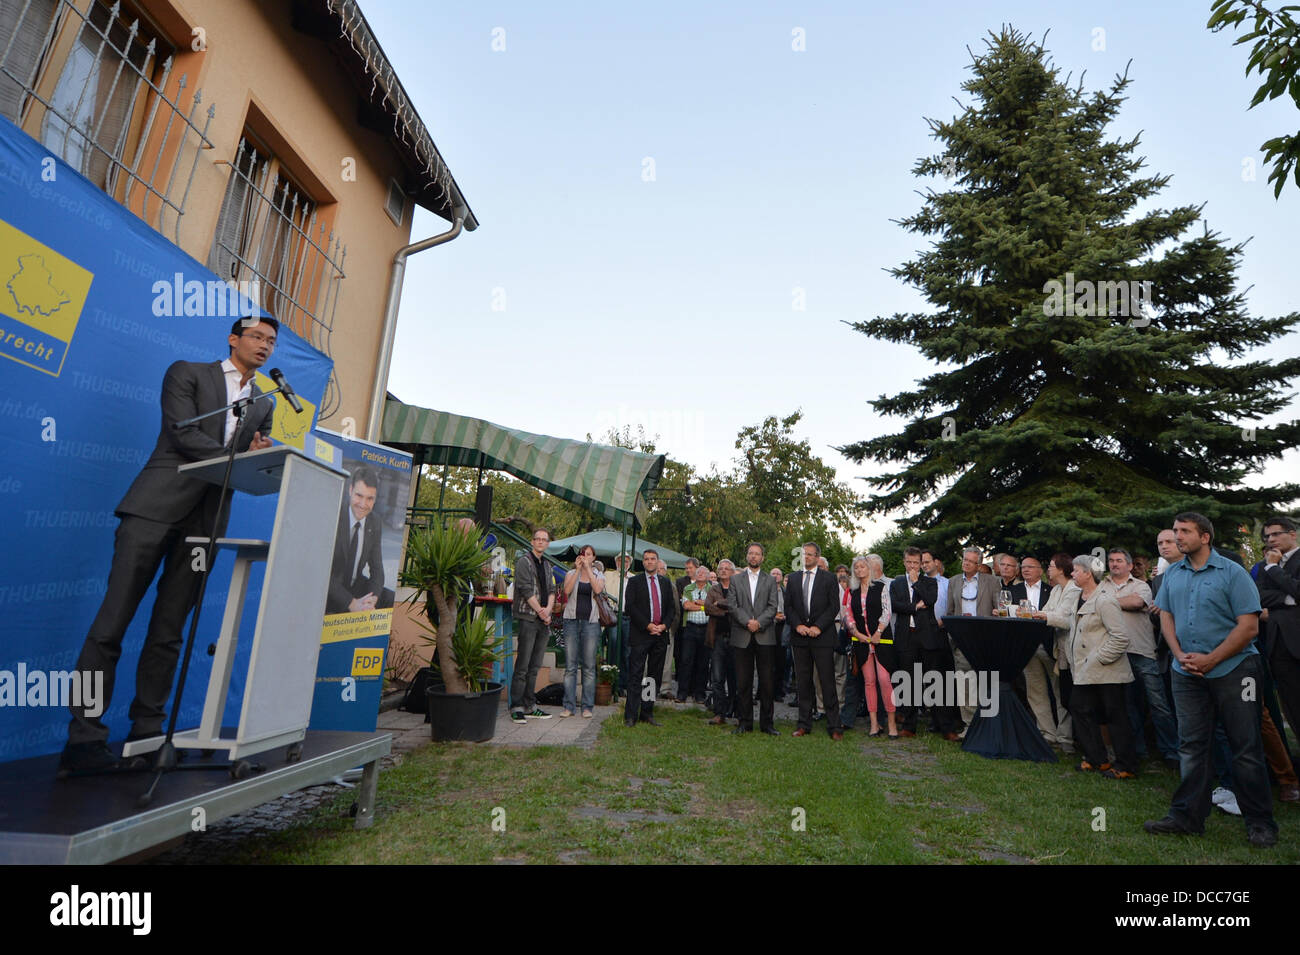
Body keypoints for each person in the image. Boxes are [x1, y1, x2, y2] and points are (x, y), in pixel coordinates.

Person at [63, 317, 278, 770]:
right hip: (153, 509)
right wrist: (234, 455)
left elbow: (246, 454)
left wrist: (259, 454)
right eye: (257, 336)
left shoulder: (263, 401)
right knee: (110, 626)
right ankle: (83, 741)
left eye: (271, 341)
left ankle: (147, 734)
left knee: (169, 633)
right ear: (233, 339)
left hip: (207, 519)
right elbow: (182, 432)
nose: (264, 346)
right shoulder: (188, 372)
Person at [1145, 513, 1276, 847]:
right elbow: (1167, 617)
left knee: (1245, 748)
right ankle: (1186, 817)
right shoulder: (1172, 573)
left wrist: (1211, 659)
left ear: (1205, 537)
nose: (1177, 537)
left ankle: (1260, 823)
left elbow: (1248, 627)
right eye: (1175, 531)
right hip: (1186, 673)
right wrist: (1177, 654)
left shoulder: (1232, 573)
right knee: (1191, 746)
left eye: (1184, 532)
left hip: (1236, 670)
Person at [1100, 547, 1177, 769]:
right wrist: (1116, 600)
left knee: (1158, 704)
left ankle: (1171, 751)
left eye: (1119, 561)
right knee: (1127, 706)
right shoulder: (1102, 585)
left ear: (1130, 565)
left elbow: (1136, 603)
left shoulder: (1142, 586)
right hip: (1116, 653)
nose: (1114, 564)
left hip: (1142, 651)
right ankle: (1138, 750)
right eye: (1111, 561)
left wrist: (1105, 602)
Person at [1066, 553, 1138, 778]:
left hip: (1108, 671)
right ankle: (1097, 758)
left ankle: (1126, 766)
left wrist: (1098, 658)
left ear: (1088, 573)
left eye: (1076, 570)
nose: (1072, 574)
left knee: (1115, 717)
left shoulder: (1105, 600)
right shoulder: (1079, 597)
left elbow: (1120, 637)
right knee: (1079, 708)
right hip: (1086, 670)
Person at [893, 546, 959, 739]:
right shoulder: (896, 583)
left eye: (916, 563)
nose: (913, 566)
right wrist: (915, 606)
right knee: (909, 682)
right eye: (909, 562)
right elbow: (895, 605)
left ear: (921, 564)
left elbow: (930, 600)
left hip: (928, 637)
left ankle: (946, 727)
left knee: (935, 681)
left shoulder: (929, 582)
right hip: (907, 637)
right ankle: (909, 725)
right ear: (904, 562)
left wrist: (915, 583)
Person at [786, 543, 843, 739]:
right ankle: (803, 724)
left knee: (827, 681)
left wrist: (818, 626)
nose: (807, 557)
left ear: (818, 558)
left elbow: (833, 606)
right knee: (803, 682)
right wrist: (797, 626)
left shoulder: (829, 578)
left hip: (823, 636)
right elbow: (789, 607)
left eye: (810, 555)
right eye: (804, 554)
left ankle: (835, 726)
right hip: (800, 637)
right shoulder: (792, 579)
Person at [727, 543, 780, 735]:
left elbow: (773, 606)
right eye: (751, 553)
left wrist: (759, 623)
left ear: (762, 558)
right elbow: (732, 606)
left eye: (757, 554)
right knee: (743, 682)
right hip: (742, 636)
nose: (754, 557)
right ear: (747, 556)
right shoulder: (736, 580)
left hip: (764, 636)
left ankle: (767, 724)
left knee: (766, 683)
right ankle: (744, 722)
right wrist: (748, 622)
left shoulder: (770, 580)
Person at [943, 547, 998, 729]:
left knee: (984, 682)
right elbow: (950, 612)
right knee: (964, 683)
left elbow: (999, 609)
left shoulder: (991, 582)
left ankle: (987, 725)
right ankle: (969, 725)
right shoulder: (954, 582)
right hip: (962, 639)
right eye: (964, 559)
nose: (966, 563)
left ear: (979, 564)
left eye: (970, 561)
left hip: (985, 638)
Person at [622, 548, 678, 727]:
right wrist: (647, 625)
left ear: (657, 561)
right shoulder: (634, 581)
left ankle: (647, 712)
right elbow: (630, 606)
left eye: (652, 559)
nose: (649, 562)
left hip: (660, 635)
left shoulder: (665, 582)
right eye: (646, 559)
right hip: (641, 634)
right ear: (643, 562)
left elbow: (671, 608)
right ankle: (631, 715)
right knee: (636, 674)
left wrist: (664, 625)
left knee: (653, 676)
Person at [845, 555, 898, 738]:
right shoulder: (853, 591)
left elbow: (887, 610)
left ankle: (891, 723)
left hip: (881, 640)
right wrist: (857, 633)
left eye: (862, 566)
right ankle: (874, 723)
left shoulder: (881, 588)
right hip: (861, 642)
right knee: (869, 681)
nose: (859, 570)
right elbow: (848, 615)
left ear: (869, 568)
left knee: (884, 680)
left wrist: (878, 633)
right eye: (856, 568)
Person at [1032, 553, 1079, 750]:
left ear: (1061, 569)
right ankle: (1061, 737)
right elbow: (1046, 609)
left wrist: (1041, 615)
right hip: (1058, 649)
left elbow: (1064, 619)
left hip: (1071, 650)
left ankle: (1068, 739)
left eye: (1051, 566)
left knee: (1069, 696)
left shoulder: (1073, 589)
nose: (1048, 569)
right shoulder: (1056, 589)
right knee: (1062, 692)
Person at [510, 529, 556, 724]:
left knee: (535, 666)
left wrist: (549, 611)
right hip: (528, 618)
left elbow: (553, 590)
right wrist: (541, 611)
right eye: (537, 539)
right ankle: (517, 706)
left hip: (543, 621)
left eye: (544, 540)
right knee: (523, 665)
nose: (540, 542)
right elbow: (526, 590)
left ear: (547, 544)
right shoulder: (523, 562)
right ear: (532, 542)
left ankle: (530, 705)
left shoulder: (547, 565)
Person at [326, 466, 386, 614]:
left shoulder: (375, 522)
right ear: (350, 490)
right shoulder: (333, 515)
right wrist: (351, 603)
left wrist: (372, 599)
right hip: (330, 591)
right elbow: (322, 571)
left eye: (370, 498)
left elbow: (377, 569)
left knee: (389, 598)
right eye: (359, 495)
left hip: (355, 586)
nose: (363, 504)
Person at [561, 544, 604, 718]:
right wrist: (578, 570)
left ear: (593, 558)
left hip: (591, 623)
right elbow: (567, 591)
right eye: (582, 554)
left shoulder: (599, 575)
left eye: (588, 555)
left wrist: (588, 570)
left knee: (588, 667)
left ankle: (587, 707)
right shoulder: (571, 573)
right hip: (571, 621)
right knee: (570, 666)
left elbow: (598, 589)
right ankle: (568, 706)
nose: (585, 557)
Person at [705, 559, 738, 725]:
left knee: (735, 677)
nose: (724, 571)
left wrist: (722, 604)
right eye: (721, 569)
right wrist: (726, 611)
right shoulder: (713, 588)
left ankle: (734, 709)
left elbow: (738, 607)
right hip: (717, 638)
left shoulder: (738, 589)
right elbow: (707, 607)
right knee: (717, 677)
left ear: (732, 572)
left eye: (727, 569)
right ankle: (719, 712)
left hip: (736, 638)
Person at [677, 563, 711, 704]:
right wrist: (704, 606)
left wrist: (701, 605)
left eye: (703, 573)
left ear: (708, 576)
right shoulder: (688, 588)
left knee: (703, 663)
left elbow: (713, 607)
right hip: (690, 628)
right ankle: (682, 693)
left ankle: (700, 694)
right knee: (686, 661)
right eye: (698, 573)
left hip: (706, 629)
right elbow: (686, 606)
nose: (700, 574)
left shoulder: (713, 589)